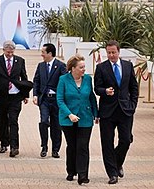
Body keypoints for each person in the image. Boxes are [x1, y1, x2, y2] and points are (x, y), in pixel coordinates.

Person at [94, 40, 138, 184]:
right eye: (109, 53)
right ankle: (112, 173)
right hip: (107, 111)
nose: (111, 55)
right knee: (107, 142)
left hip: (125, 110)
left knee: (126, 140)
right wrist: (105, 91)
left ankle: (118, 162)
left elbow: (133, 87)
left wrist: (133, 105)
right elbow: (97, 88)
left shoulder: (127, 65)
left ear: (119, 51)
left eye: (114, 52)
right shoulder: (101, 68)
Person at [56, 54, 98, 185]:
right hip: (68, 119)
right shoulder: (63, 79)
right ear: (73, 68)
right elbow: (60, 99)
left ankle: (83, 175)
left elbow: (91, 97)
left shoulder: (87, 80)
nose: (84, 69)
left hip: (85, 117)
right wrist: (69, 114)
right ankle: (71, 170)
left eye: (84, 67)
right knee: (72, 145)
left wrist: (96, 114)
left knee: (83, 146)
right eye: (81, 67)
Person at [0, 40, 32, 157]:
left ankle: (14, 147)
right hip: (0, 97)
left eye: (12, 52)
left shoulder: (20, 61)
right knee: (2, 120)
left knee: (13, 120)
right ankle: (3, 143)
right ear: (3, 50)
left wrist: (25, 94)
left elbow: (24, 77)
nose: (10, 55)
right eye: (8, 52)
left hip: (15, 96)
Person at [33, 43, 67, 158]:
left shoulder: (61, 66)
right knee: (43, 121)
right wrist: (35, 95)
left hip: (57, 100)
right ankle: (44, 146)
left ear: (50, 53)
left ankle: (55, 149)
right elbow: (36, 81)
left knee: (56, 125)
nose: (41, 55)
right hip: (44, 100)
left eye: (43, 52)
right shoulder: (40, 66)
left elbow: (64, 82)